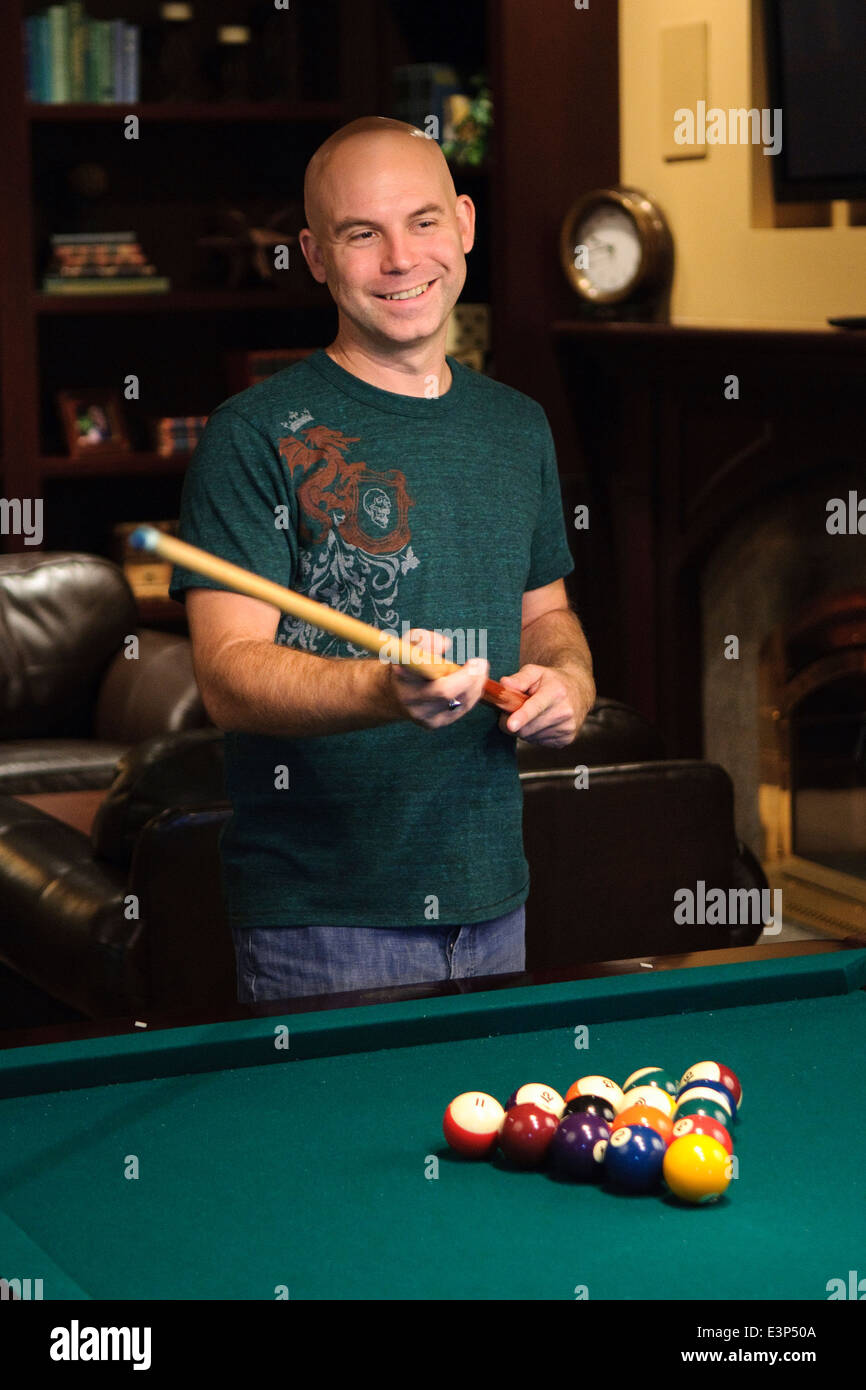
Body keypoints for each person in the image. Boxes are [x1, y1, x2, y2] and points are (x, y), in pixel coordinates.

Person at [169, 117, 596, 1001]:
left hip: (494, 899)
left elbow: (546, 616)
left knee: (480, 1141)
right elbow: (228, 675)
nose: (402, 259)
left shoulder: (518, 426)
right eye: (362, 234)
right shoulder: (254, 435)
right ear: (315, 256)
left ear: (466, 225)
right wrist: (381, 688)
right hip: (322, 920)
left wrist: (570, 684)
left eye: (424, 221)